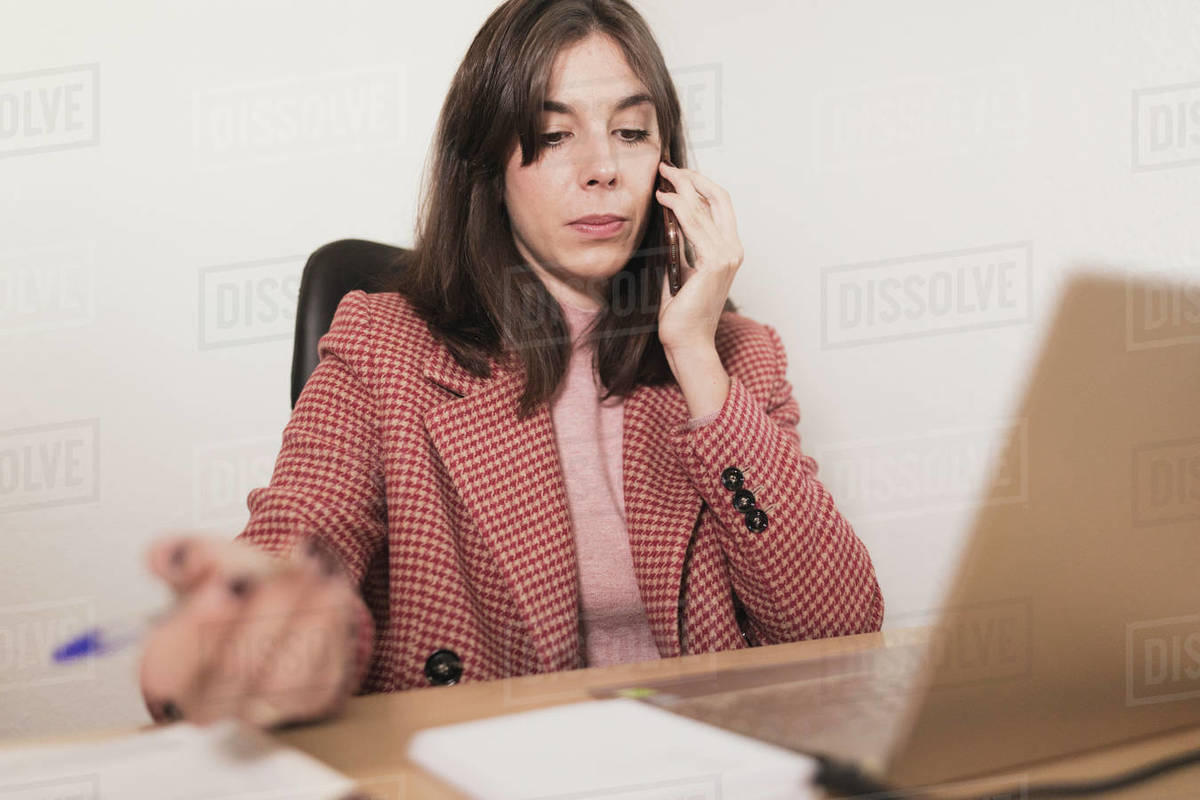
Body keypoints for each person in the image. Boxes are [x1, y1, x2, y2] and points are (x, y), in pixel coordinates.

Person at [138, 0, 884, 730]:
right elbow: (299, 546)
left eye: (631, 132)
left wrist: (694, 351)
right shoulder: (382, 345)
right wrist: (249, 636)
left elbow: (840, 630)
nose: (602, 168)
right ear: (488, 163)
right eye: (554, 136)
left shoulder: (735, 357)